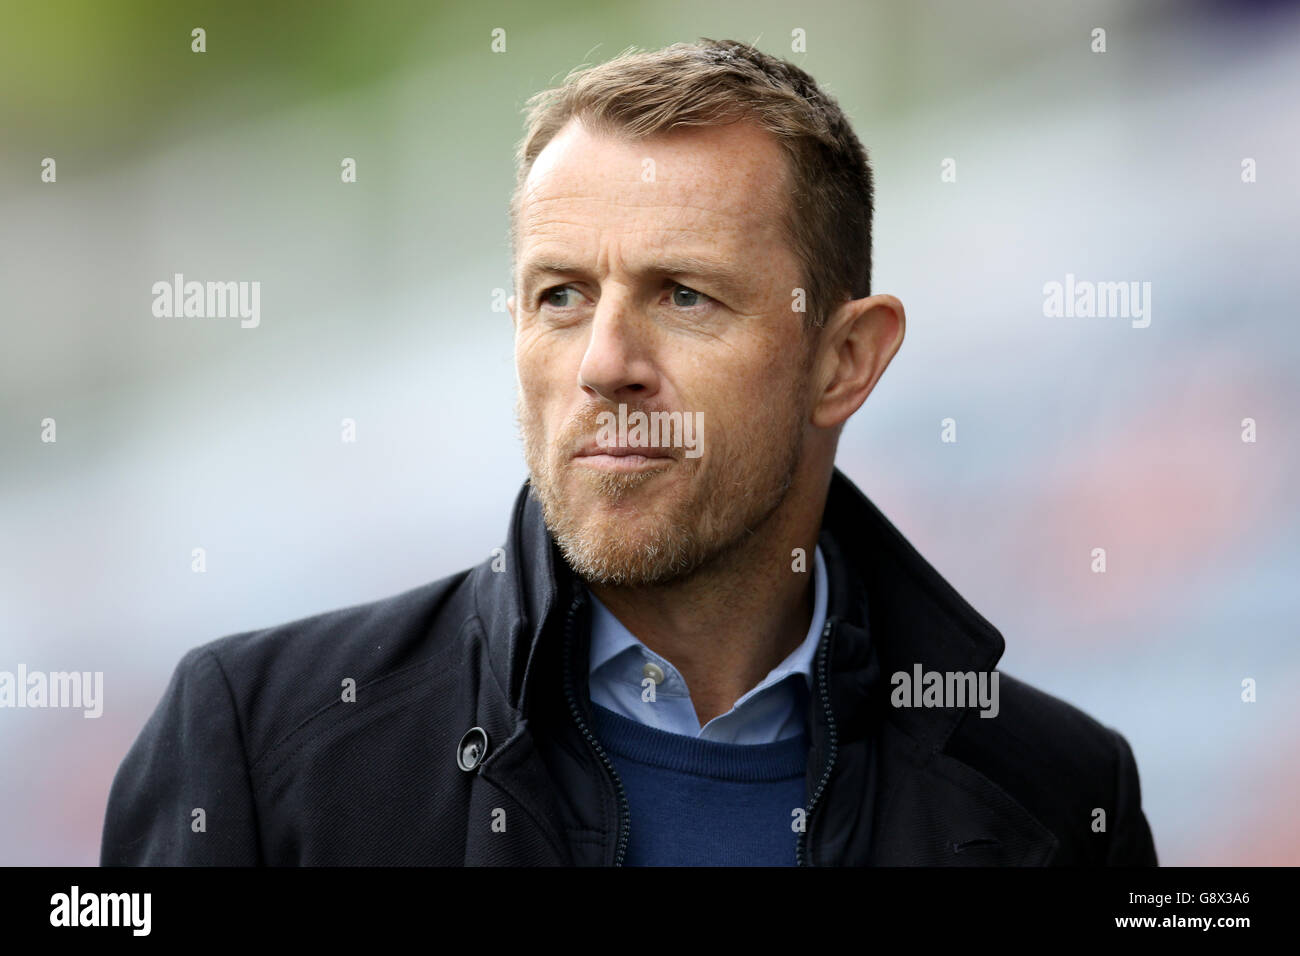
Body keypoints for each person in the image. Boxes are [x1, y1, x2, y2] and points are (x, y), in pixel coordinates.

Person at [100, 38, 1157, 866]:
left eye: (684, 295)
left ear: (843, 360)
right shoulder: (260, 740)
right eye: (560, 295)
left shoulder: (1058, 794)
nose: (606, 363)